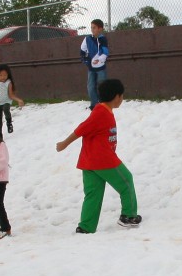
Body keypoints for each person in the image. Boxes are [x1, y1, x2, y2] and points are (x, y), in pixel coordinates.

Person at [55, 78, 140, 233]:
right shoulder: (101, 113)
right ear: (116, 96)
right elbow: (82, 128)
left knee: (93, 194)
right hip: (104, 160)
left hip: (89, 162)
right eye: (122, 96)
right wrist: (65, 143)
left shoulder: (103, 111)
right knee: (126, 180)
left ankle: (86, 227)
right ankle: (128, 216)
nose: (122, 99)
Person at [79, 19, 110, 108]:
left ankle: (103, 103)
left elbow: (105, 52)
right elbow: (82, 51)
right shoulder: (87, 39)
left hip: (101, 68)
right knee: (91, 86)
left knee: (102, 86)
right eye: (91, 27)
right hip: (91, 68)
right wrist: (86, 60)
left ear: (100, 29)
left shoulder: (103, 39)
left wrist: (100, 59)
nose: (92, 29)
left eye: (94, 28)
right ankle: (94, 105)